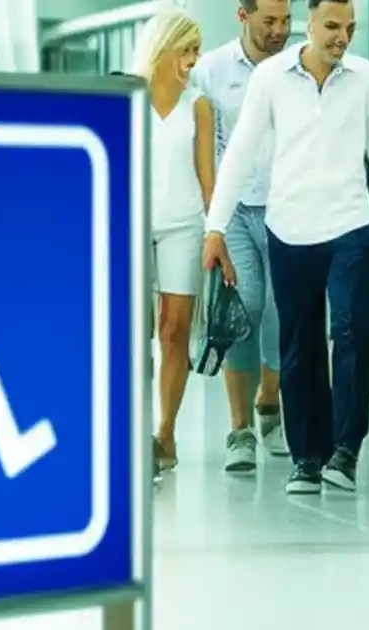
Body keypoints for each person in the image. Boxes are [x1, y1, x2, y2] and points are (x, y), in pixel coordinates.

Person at [201, 0, 369, 495]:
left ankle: (345, 449)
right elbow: (241, 150)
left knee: (352, 333)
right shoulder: (270, 77)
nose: (342, 37)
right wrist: (215, 228)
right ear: (308, 25)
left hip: (351, 225)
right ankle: (306, 458)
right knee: (299, 344)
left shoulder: (363, 77)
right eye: (333, 26)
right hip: (289, 228)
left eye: (350, 28)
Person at [190, 0, 293, 472]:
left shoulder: (297, 66)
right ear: (242, 15)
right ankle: (240, 430)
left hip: (289, 210)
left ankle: (268, 404)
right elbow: (205, 149)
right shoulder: (211, 70)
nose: (279, 31)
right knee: (244, 309)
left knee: (281, 315)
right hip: (233, 211)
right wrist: (214, 222)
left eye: (286, 21)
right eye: (269, 21)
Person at [132, 7, 215, 472]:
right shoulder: (131, 93)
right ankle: (133, 427)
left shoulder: (198, 104)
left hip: (185, 225)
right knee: (136, 332)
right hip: (135, 223)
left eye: (196, 52)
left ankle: (165, 434)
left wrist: (215, 233)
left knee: (173, 332)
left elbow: (208, 179)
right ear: (163, 48)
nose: (192, 60)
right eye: (186, 50)